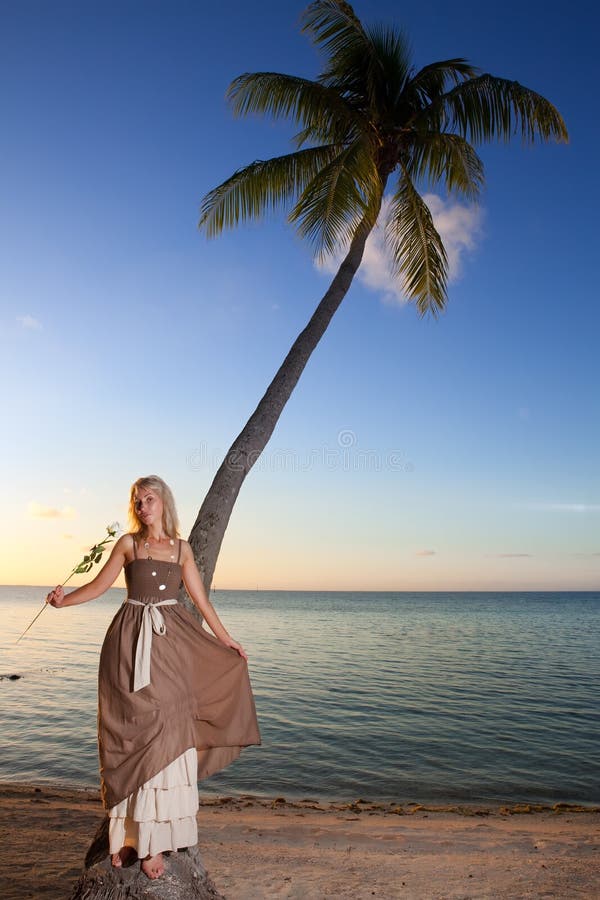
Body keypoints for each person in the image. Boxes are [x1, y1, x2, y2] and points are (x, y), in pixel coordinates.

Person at [46, 475, 261, 880]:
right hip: (128, 640)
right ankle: (129, 836)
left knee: (167, 725)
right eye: (137, 501)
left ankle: (155, 843)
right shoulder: (128, 544)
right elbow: (98, 585)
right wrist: (63, 601)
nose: (143, 506)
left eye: (149, 499)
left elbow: (200, 600)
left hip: (172, 642)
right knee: (131, 730)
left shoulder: (181, 549)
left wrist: (228, 641)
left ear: (164, 502)